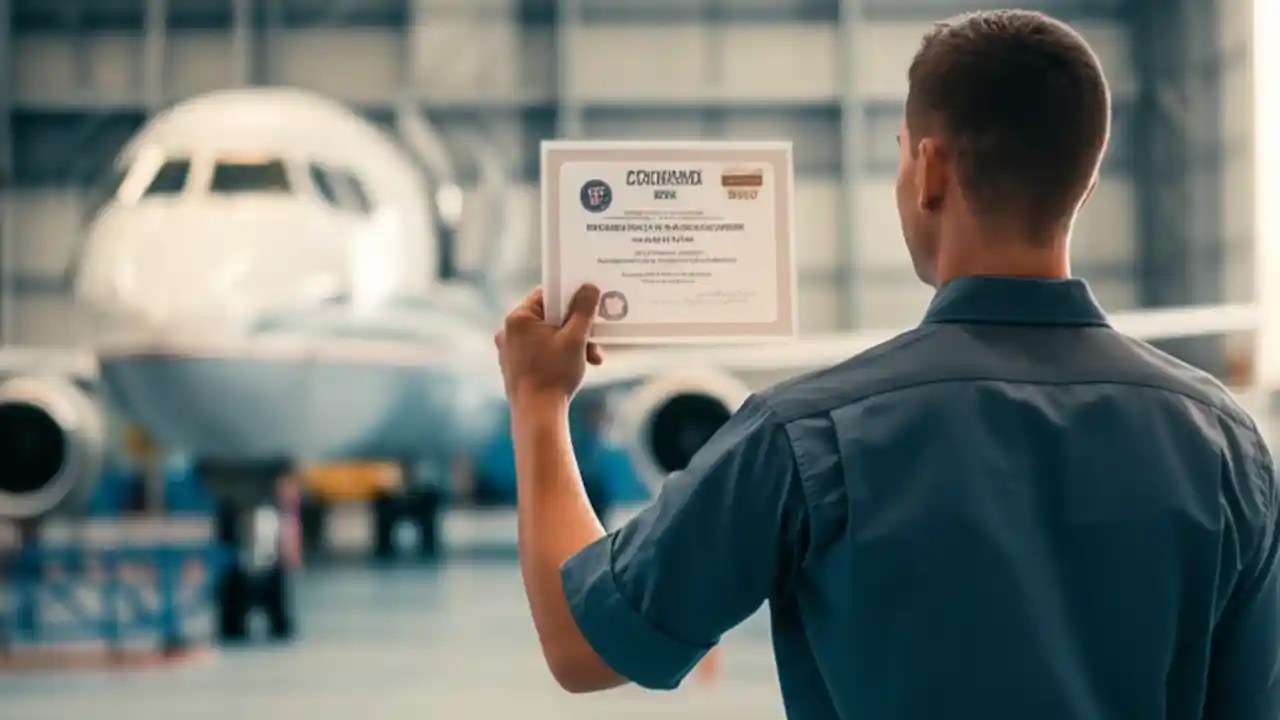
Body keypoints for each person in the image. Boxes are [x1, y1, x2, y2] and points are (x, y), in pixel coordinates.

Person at [494, 9, 1280, 720]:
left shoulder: (805, 437)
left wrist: (537, 404)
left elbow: (583, 644)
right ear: (1086, 178)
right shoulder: (1224, 445)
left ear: (931, 171)